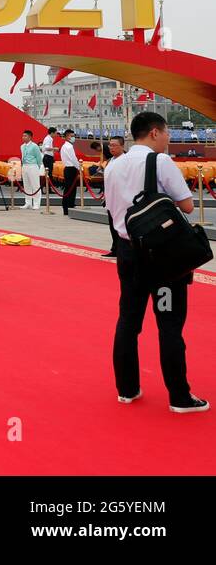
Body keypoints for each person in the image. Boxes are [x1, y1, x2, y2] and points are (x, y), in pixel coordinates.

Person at [104, 112, 207, 413]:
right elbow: (187, 204)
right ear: (153, 133)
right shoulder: (159, 162)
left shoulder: (113, 166)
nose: (168, 138)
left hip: (128, 252)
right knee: (169, 323)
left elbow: (113, 210)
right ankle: (179, 396)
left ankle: (127, 389)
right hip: (163, 258)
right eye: (165, 133)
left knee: (129, 320)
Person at [102, 135, 126, 257]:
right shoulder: (110, 161)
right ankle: (115, 248)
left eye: (114, 145)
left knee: (121, 226)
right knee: (112, 225)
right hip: (111, 199)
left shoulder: (126, 160)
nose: (111, 148)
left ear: (122, 146)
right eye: (110, 145)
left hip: (122, 199)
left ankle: (122, 249)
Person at [19, 129, 43, 210]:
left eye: (25, 136)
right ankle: (28, 203)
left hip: (33, 166)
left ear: (30, 137)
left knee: (35, 185)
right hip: (24, 166)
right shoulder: (22, 146)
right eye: (23, 136)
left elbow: (39, 158)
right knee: (26, 185)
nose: (23, 137)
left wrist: (37, 167)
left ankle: (36, 203)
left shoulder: (35, 146)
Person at [60, 129, 81, 216]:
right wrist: (79, 167)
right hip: (71, 169)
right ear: (67, 137)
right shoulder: (69, 147)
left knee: (68, 188)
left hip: (67, 169)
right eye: (71, 136)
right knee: (71, 189)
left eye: (73, 136)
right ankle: (69, 206)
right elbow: (73, 159)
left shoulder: (64, 146)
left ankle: (67, 206)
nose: (73, 138)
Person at [41, 126, 59, 203]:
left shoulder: (47, 138)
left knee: (49, 174)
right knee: (49, 174)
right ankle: (46, 188)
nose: (56, 134)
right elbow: (47, 148)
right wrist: (55, 149)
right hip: (48, 157)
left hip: (48, 157)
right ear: (52, 133)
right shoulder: (49, 139)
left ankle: (48, 188)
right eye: (55, 133)